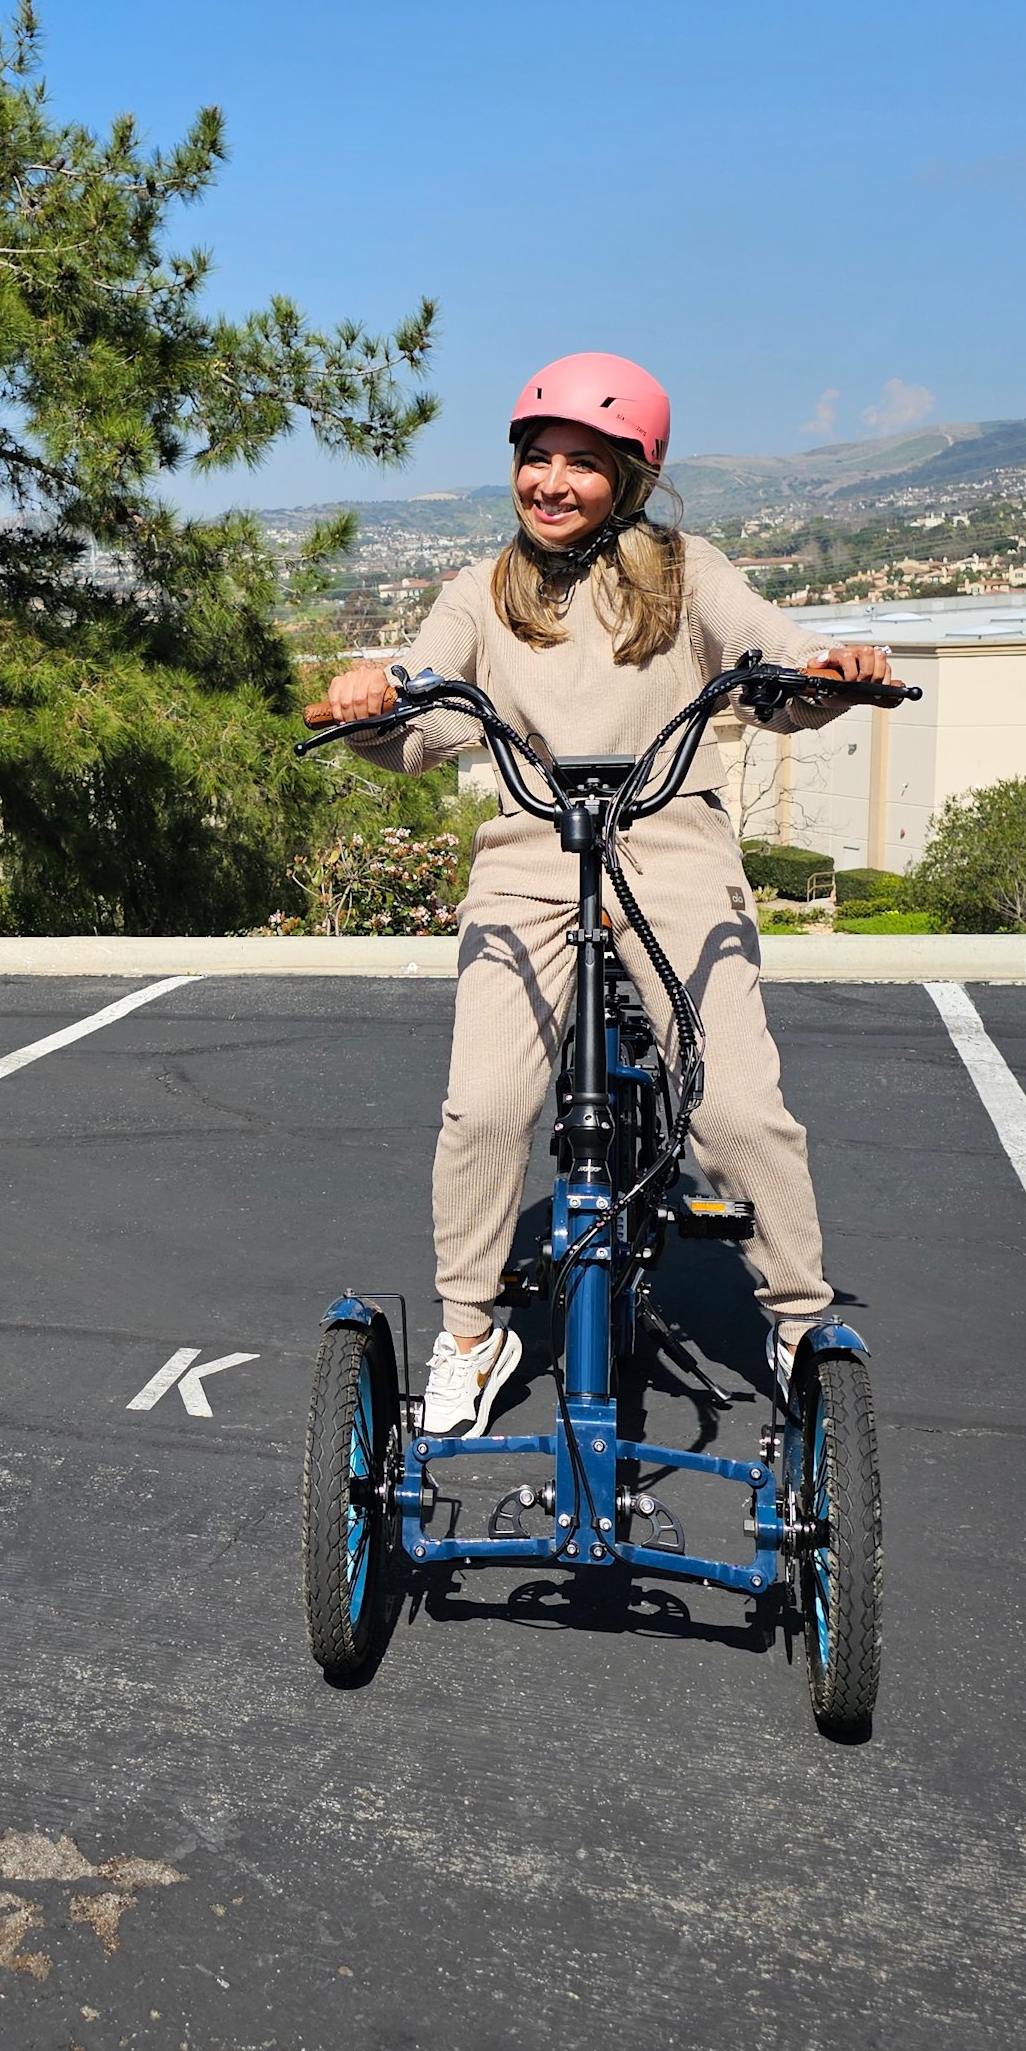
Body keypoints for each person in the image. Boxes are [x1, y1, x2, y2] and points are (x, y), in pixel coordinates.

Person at [321, 351, 893, 1440]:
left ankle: (796, 1320)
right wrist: (376, 699)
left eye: (583, 463)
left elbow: (772, 654)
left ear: (629, 477)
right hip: (533, 846)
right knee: (483, 1105)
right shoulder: (482, 591)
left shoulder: (687, 573)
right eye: (537, 458)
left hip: (669, 838)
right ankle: (473, 1334)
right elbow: (429, 690)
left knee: (730, 1104)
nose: (552, 481)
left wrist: (832, 669)